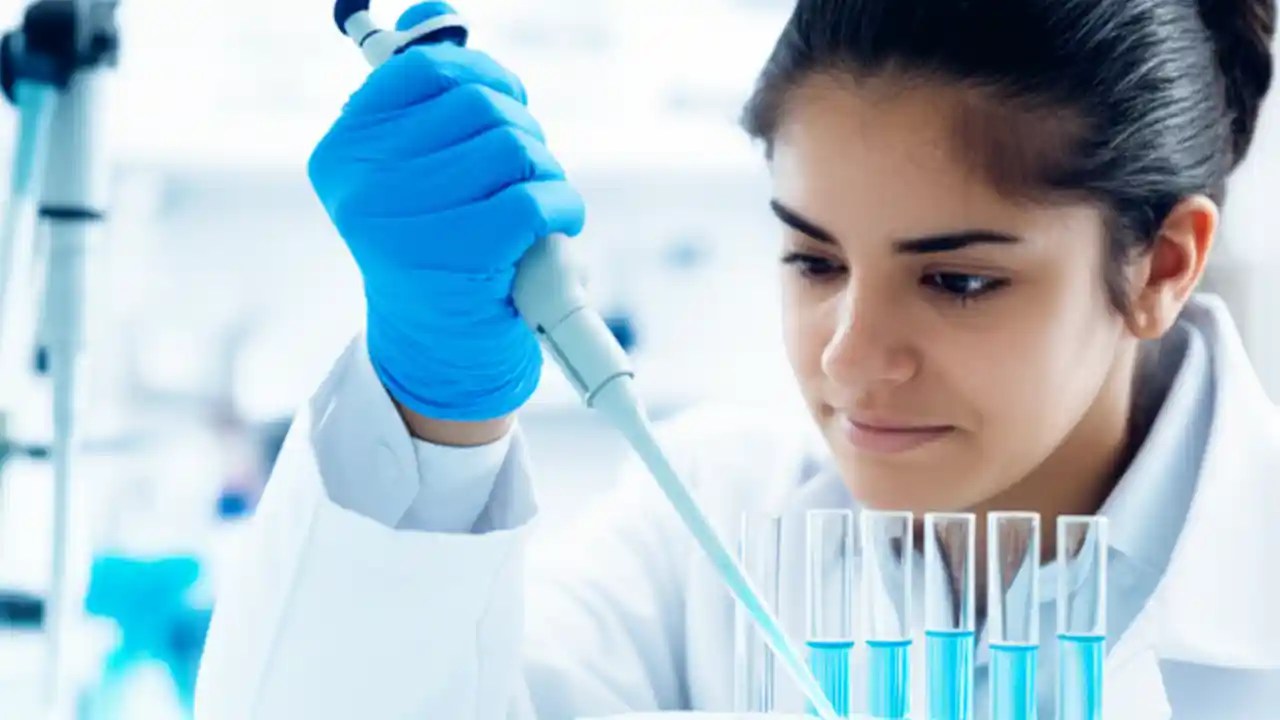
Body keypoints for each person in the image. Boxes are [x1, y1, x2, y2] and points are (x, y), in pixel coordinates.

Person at [192, 0, 1279, 717]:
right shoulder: (706, 530)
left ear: (1159, 267)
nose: (849, 364)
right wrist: (431, 412)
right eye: (812, 261)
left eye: (956, 281)